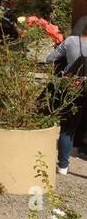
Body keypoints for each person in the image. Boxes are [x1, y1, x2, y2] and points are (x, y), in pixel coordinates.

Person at [47, 16, 87, 176]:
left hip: (72, 87)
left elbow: (50, 57)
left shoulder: (71, 41)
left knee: (68, 128)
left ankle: (63, 166)